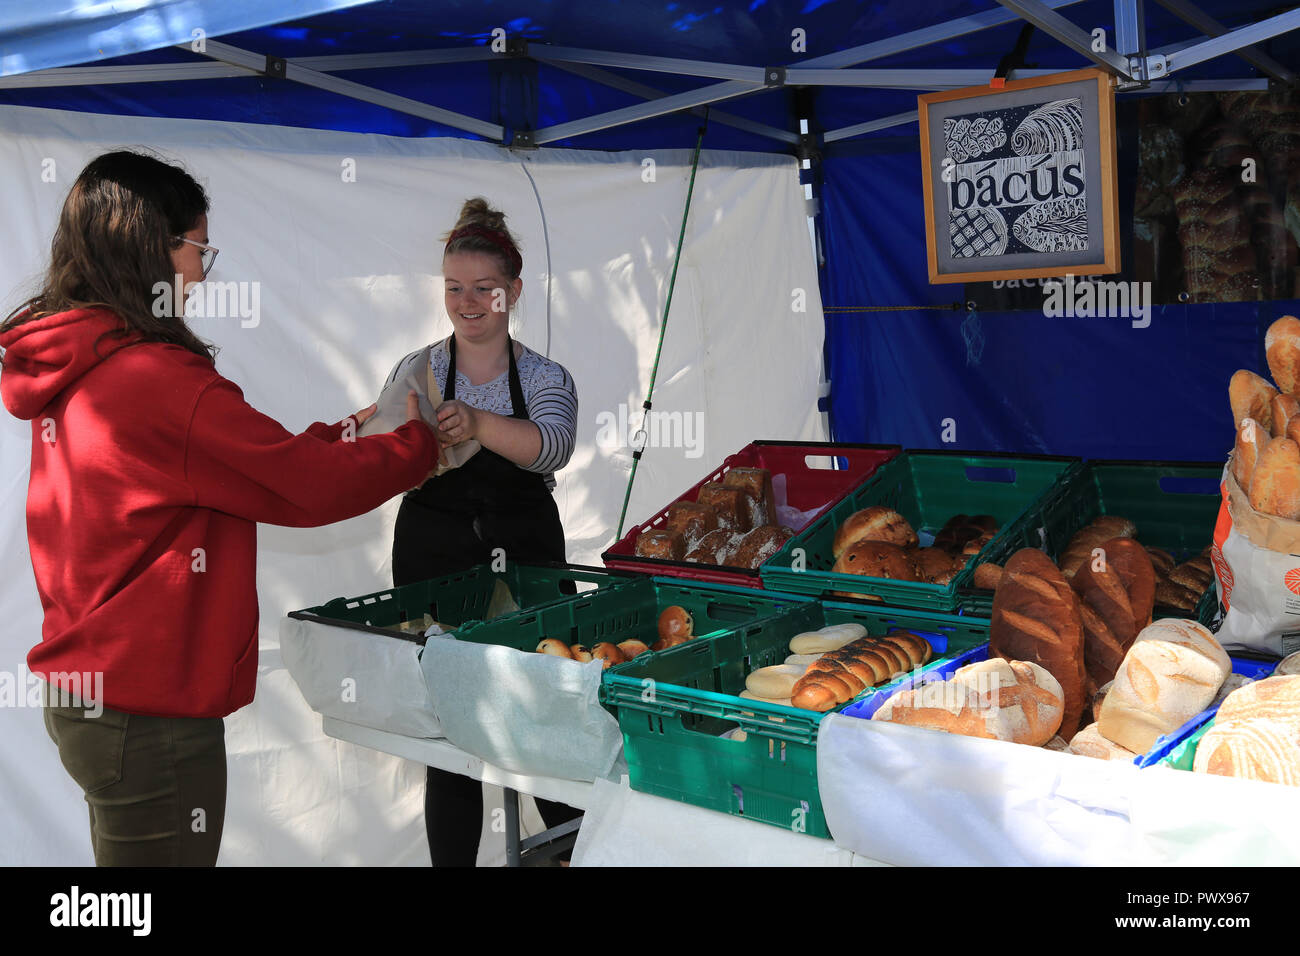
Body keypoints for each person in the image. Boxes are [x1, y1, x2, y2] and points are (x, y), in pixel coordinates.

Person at [0, 150, 439, 866]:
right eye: (198, 247)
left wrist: (349, 435)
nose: (203, 271)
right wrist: (416, 447)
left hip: (97, 698)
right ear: (151, 245)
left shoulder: (84, 359)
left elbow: (239, 470)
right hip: (147, 713)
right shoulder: (154, 378)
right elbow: (305, 486)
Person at [384, 197, 581, 866]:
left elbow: (552, 445)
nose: (467, 302)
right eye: (453, 288)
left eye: (483, 289)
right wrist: (376, 434)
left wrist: (477, 423)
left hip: (525, 562)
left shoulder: (547, 377)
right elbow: (383, 442)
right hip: (434, 565)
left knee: (545, 721)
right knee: (453, 738)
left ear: (513, 292)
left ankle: (567, 853)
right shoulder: (416, 368)